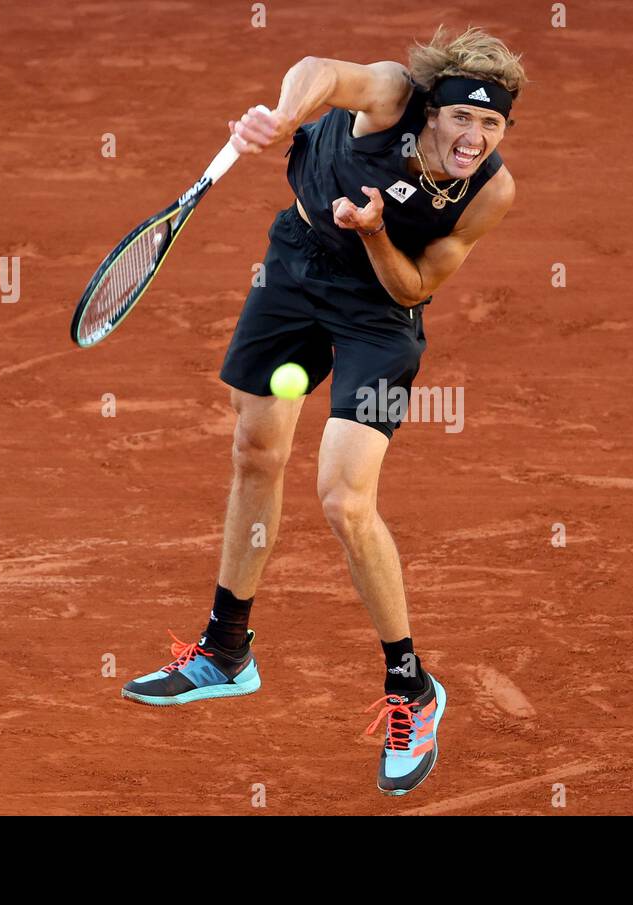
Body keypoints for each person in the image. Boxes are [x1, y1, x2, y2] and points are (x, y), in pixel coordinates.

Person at [122, 26, 526, 797]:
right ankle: (226, 649)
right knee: (255, 451)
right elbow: (317, 70)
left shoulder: (492, 191)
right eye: (462, 119)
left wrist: (374, 231)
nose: (473, 137)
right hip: (297, 271)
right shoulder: (389, 95)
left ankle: (412, 688)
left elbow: (414, 287)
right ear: (431, 110)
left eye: (493, 124)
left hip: (379, 316)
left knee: (345, 498)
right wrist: (281, 116)